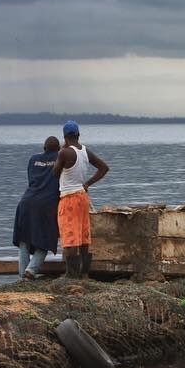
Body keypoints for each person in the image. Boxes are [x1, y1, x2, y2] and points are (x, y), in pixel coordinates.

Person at [53, 120, 109, 279]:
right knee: (84, 236)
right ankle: (84, 273)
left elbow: (55, 173)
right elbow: (104, 168)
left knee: (70, 236)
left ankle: (71, 275)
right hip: (83, 197)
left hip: (68, 198)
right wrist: (87, 183)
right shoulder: (85, 151)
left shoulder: (64, 153)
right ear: (78, 135)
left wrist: (60, 155)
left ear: (65, 137)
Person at [11, 136, 61, 280]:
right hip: (47, 204)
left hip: (26, 202)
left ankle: (23, 277)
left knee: (24, 240)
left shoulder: (33, 159)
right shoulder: (60, 158)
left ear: (44, 148)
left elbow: (30, 179)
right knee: (45, 240)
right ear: (58, 149)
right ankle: (31, 270)